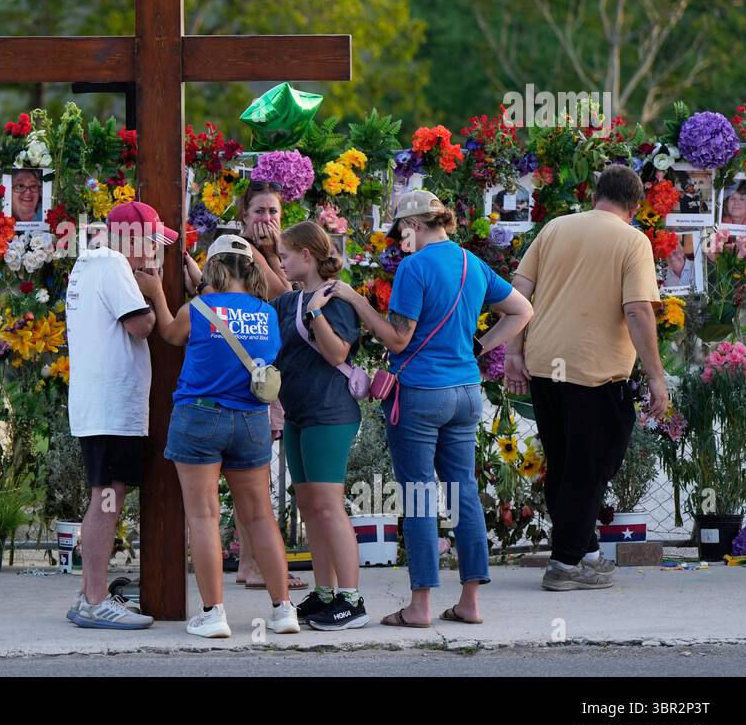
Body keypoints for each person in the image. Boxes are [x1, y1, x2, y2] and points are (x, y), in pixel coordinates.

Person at [328, 191, 533, 626]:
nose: (400, 239)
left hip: (420, 393)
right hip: (465, 392)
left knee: (419, 494)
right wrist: (477, 348)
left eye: (401, 230)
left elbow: (399, 338)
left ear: (416, 225)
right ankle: (470, 602)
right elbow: (521, 310)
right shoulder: (470, 263)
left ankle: (420, 606)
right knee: (463, 493)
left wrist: (358, 302)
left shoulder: (414, 267)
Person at [505, 165, 667, 591]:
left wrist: (513, 352)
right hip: (595, 372)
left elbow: (517, 292)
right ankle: (563, 564)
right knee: (591, 467)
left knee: (562, 463)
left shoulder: (555, 228)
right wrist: (656, 377)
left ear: (597, 194)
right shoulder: (633, 240)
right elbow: (637, 310)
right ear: (634, 205)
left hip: (545, 366)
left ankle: (586, 551)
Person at [136, 234, 300, 638]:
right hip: (251, 420)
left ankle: (214, 614)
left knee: (205, 515)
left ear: (216, 270)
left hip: (201, 416)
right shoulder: (266, 314)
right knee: (261, 516)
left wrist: (157, 293)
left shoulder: (200, 308)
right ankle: (283, 610)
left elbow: (172, 334)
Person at [62, 200, 176, 630]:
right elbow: (143, 325)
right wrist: (154, 289)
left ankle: (89, 593)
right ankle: (94, 599)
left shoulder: (89, 261)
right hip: (111, 408)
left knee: (107, 497)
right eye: (152, 243)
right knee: (107, 500)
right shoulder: (111, 264)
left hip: (101, 405)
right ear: (131, 239)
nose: (155, 254)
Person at [272, 221, 369, 630]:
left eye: (286, 255)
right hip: (299, 413)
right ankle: (326, 592)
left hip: (330, 413)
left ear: (307, 256)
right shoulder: (285, 301)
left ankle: (352, 600)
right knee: (310, 506)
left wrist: (315, 313)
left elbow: (336, 352)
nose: (281, 261)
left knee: (329, 506)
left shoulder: (335, 299)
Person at [220, 180, 304, 591]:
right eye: (259, 212)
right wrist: (271, 252)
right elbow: (284, 294)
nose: (267, 220)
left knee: (252, 477)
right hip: (247, 375)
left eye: (273, 212)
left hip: (266, 372)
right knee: (252, 478)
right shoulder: (242, 251)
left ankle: (249, 562)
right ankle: (254, 564)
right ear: (244, 216)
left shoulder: (273, 252)